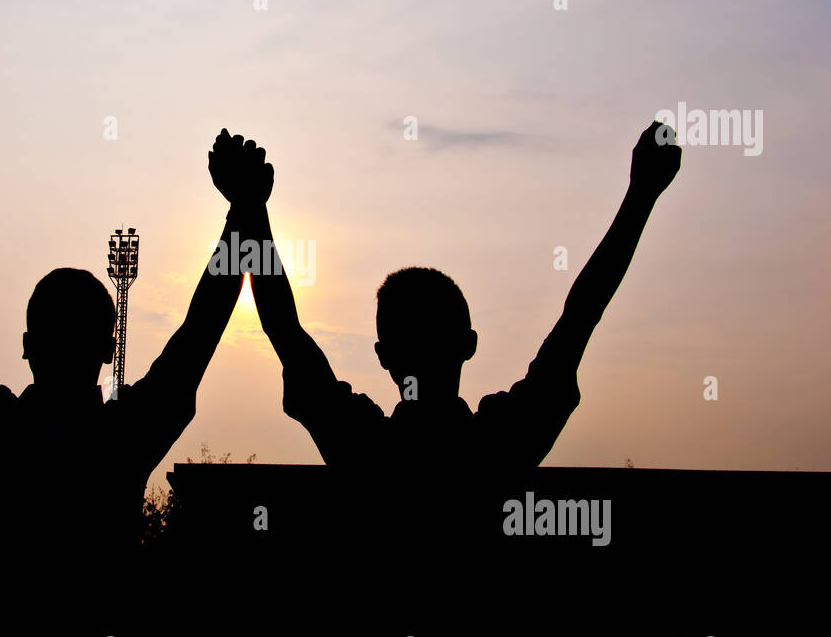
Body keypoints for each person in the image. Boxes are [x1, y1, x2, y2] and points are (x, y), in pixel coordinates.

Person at [0, 127, 272, 637]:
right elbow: (199, 331)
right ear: (107, 347)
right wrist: (242, 211)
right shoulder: (124, 435)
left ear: (27, 344)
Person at [242, 120, 681, 564]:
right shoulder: (502, 443)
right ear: (469, 344)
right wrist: (641, 195)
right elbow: (580, 317)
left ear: (384, 357)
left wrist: (250, 209)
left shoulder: (364, 446)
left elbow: (285, 329)